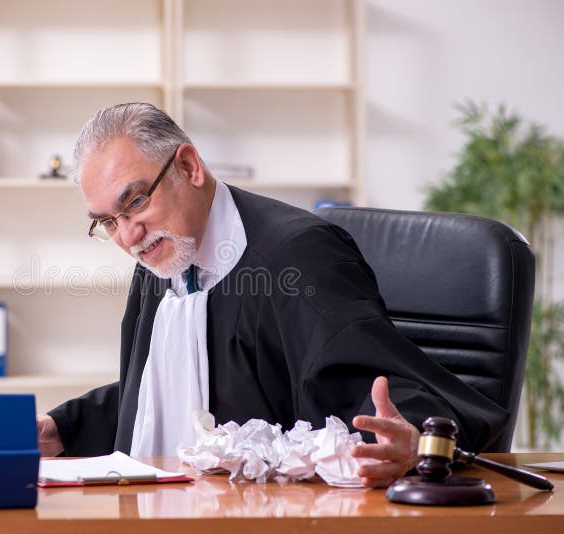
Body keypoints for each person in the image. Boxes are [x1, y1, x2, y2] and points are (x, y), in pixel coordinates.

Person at [36, 103, 509, 488]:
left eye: (135, 201)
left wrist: (413, 436)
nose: (128, 235)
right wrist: (64, 428)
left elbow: (373, 387)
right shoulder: (163, 256)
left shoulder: (297, 257)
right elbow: (168, 387)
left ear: (188, 166)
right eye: (107, 222)